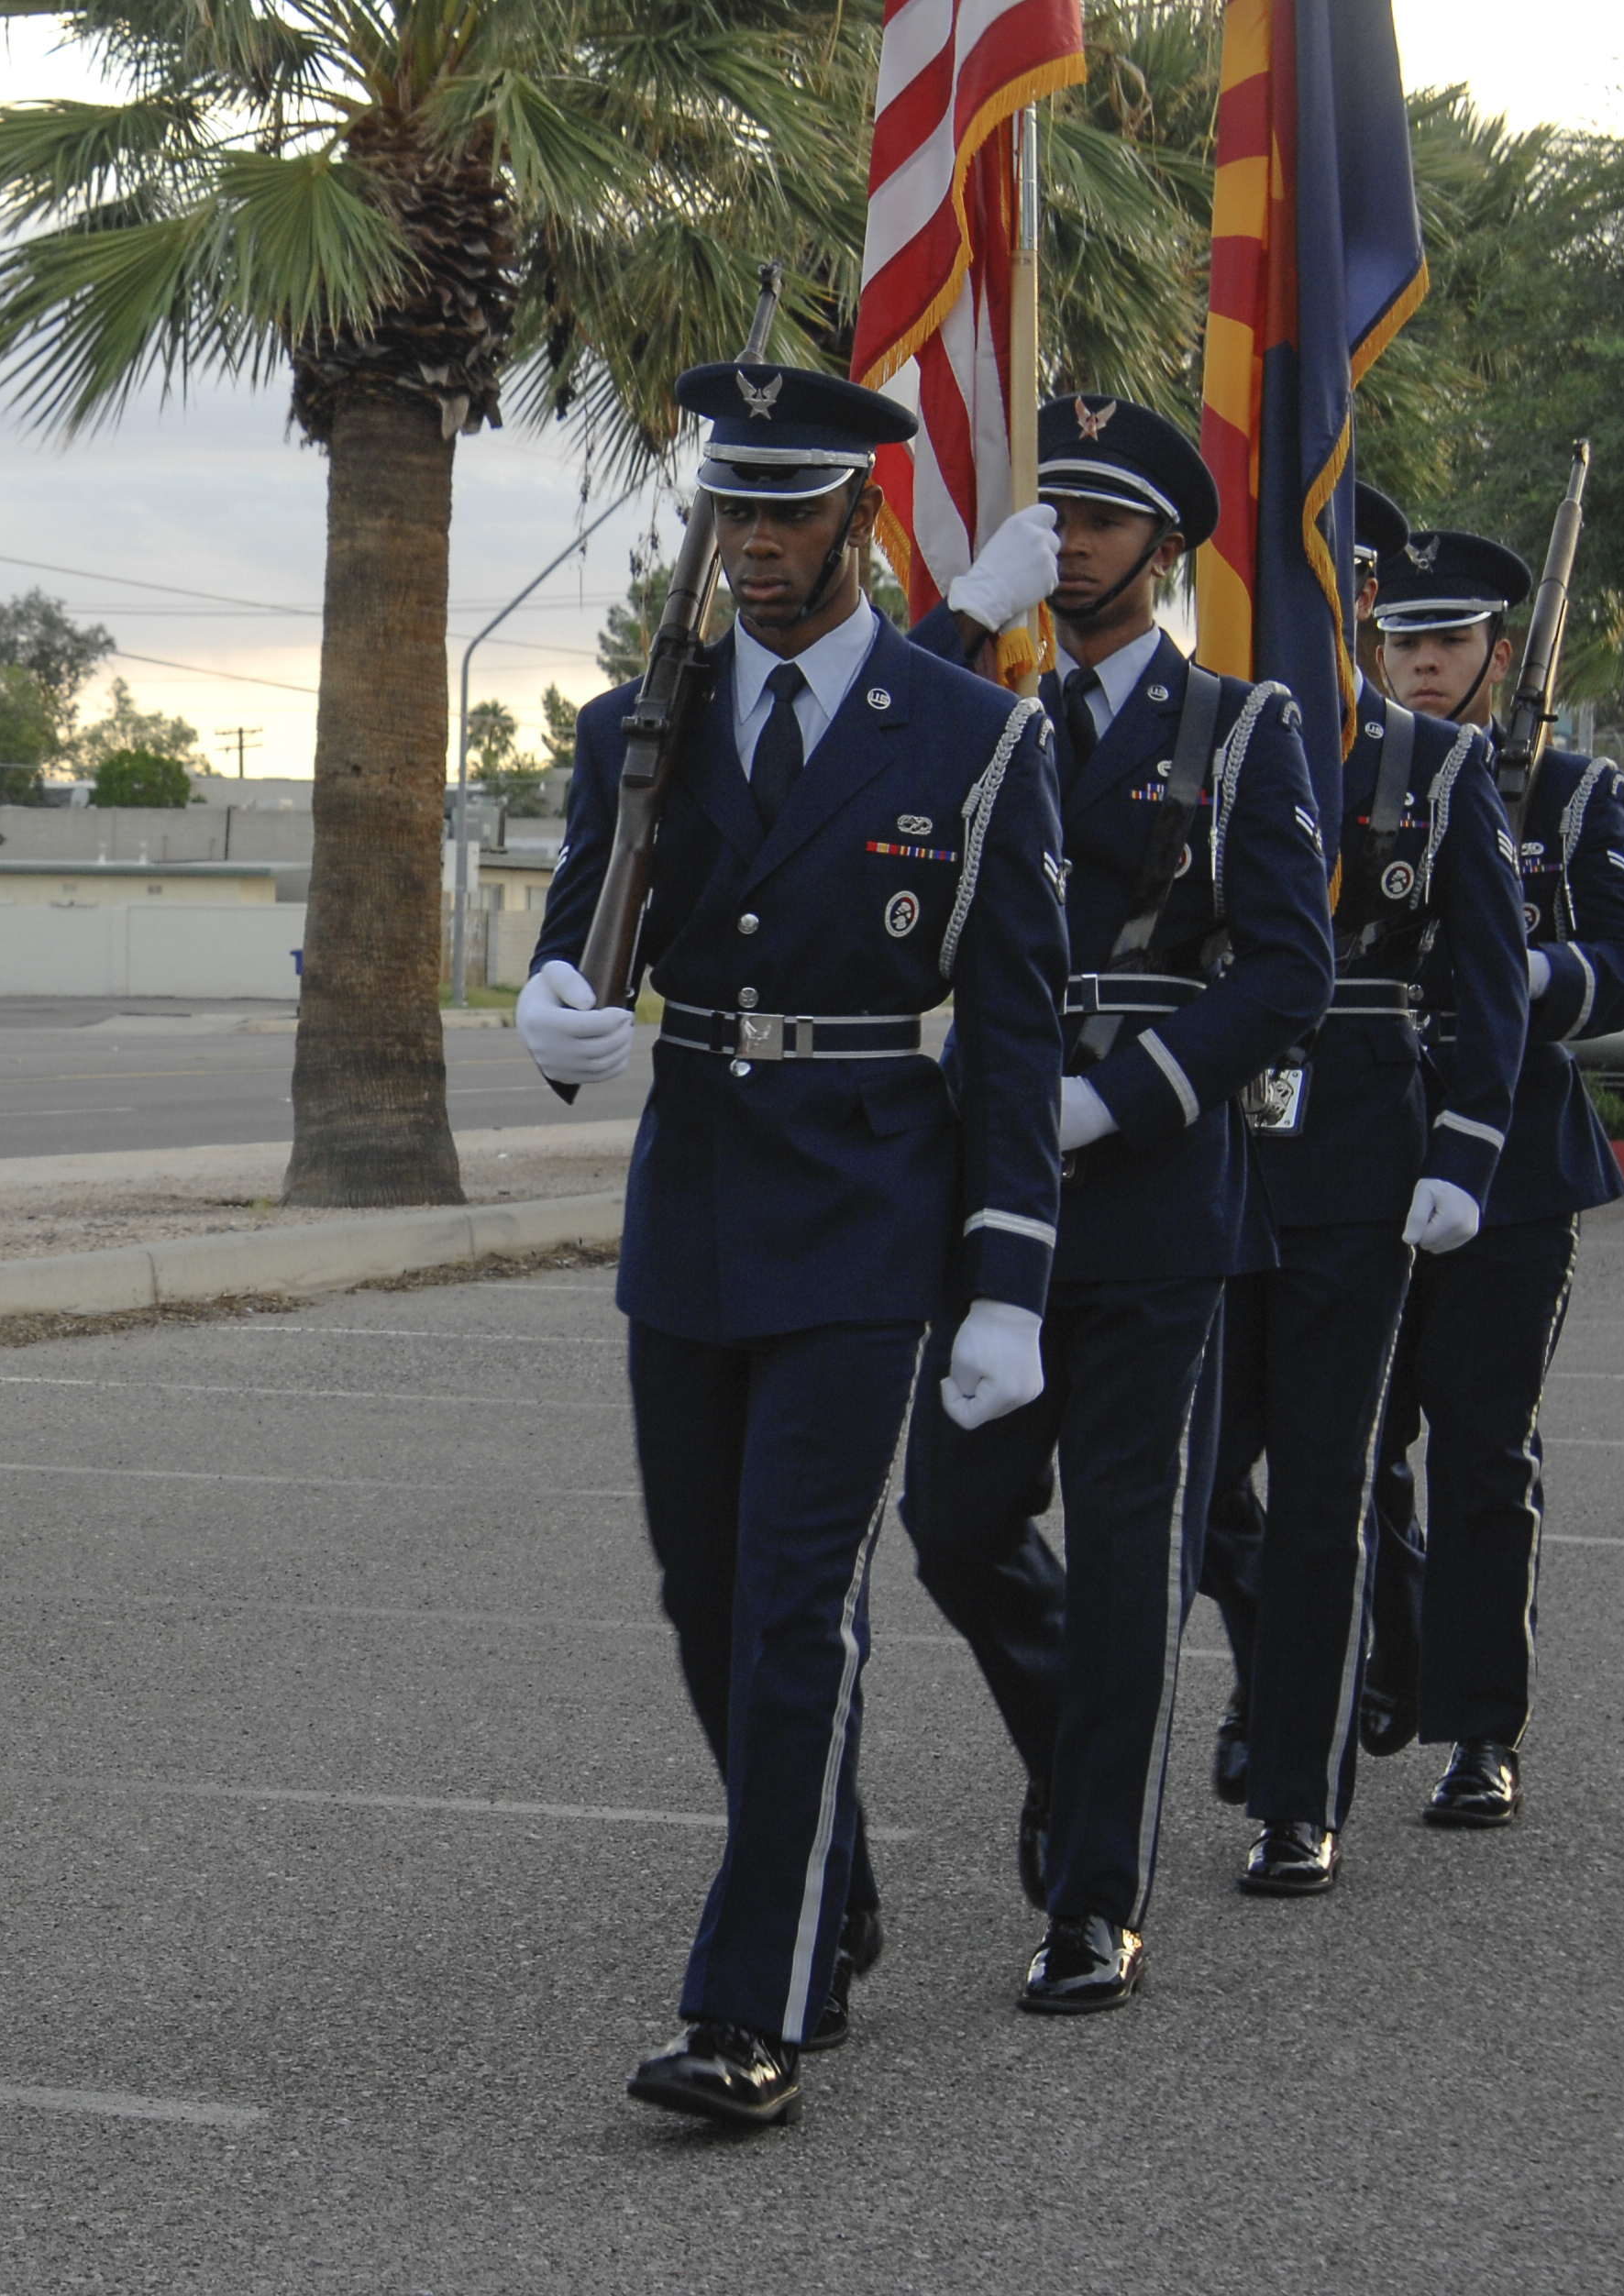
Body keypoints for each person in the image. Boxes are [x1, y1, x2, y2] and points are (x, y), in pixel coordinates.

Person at [520, 361, 1066, 2126]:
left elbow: (1011, 1026)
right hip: (687, 1192)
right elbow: (575, 940)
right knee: (701, 1596)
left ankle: (743, 2007)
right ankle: (821, 1880)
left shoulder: (969, 737)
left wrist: (1005, 1273)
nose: (750, 542)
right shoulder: (635, 722)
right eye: (728, 508)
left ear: (859, 518)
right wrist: (551, 1016)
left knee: (790, 1605)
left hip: (862, 1205)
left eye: (784, 510)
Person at [896, 395, 1332, 2014]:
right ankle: (1076, 1744)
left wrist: (1115, 1093)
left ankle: (1096, 1896)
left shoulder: (1235, 729)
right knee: (948, 1521)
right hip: (991, 1186)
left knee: (1131, 1543)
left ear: (1163, 548)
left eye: (1095, 518)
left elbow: (1289, 967)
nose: (1064, 539)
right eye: (1051, 515)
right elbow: (882, 774)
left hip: (1152, 1196)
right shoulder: (980, 708)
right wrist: (957, 612)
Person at [1198, 482, 1528, 1898]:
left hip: (1355, 1161)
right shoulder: (1199, 739)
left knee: (1330, 1483)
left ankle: (1297, 1794)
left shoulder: (1433, 767)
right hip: (1204, 1157)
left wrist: (1462, 1151)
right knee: (1198, 1492)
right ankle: (1301, 1661)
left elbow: (1496, 979)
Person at [1364, 524, 1624, 1827]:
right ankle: (1393, 1654)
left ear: (1498, 653)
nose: (1422, 666)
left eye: (1447, 642)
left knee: (1482, 1449)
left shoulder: (1573, 791)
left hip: (1520, 1164)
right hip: (1367, 1149)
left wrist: (1523, 971)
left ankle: (1482, 1728)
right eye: (1402, 643)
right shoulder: (1360, 775)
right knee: (1355, 1449)